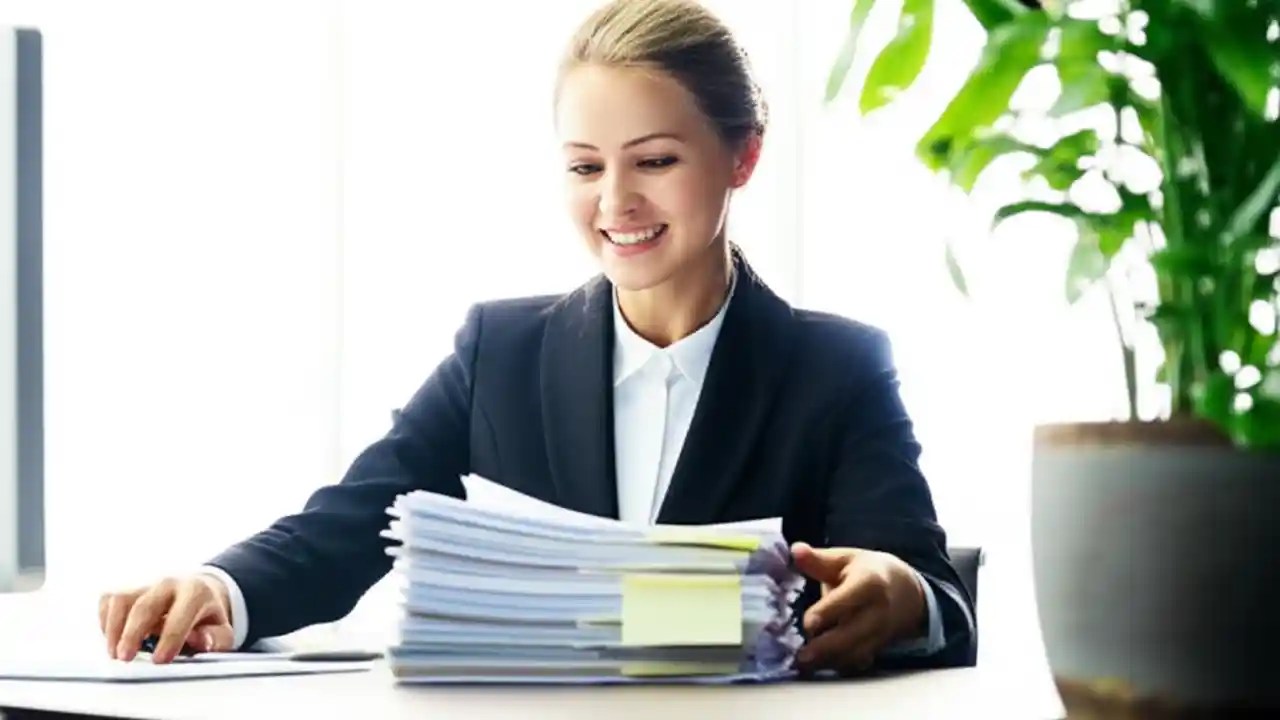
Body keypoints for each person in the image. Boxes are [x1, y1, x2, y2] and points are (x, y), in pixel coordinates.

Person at [99, 0, 976, 675]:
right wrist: (220, 588)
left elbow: (938, 598)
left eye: (656, 161)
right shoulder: (501, 353)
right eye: (586, 166)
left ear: (742, 157)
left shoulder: (836, 369)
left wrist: (901, 597)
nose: (615, 202)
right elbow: (351, 523)